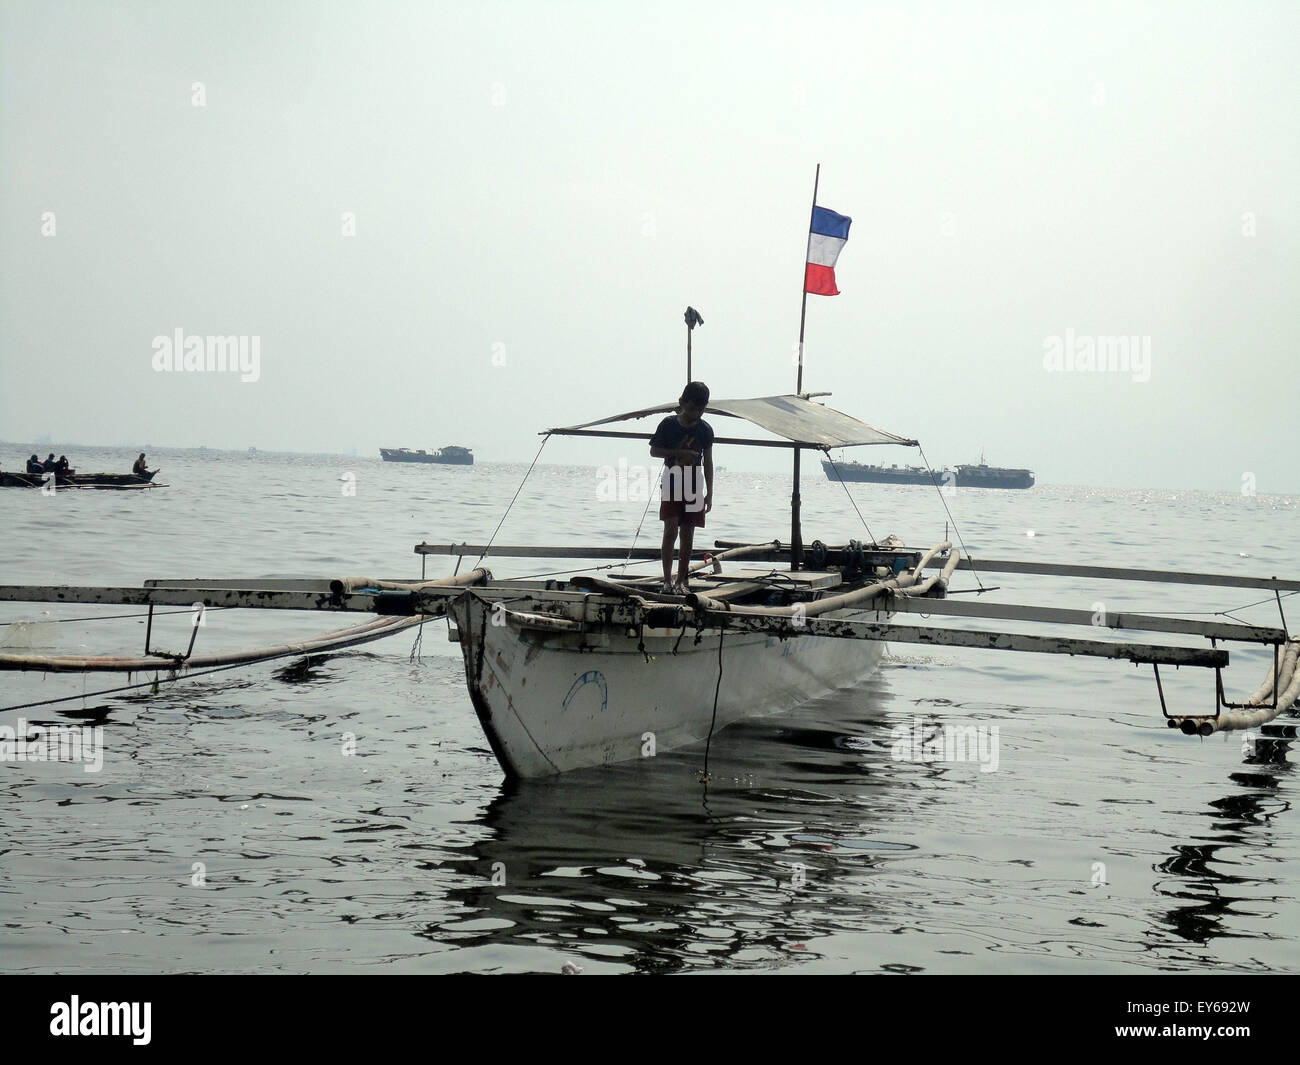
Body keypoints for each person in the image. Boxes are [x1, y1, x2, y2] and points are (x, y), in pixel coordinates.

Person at [649, 381, 714, 594]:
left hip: (695, 481)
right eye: (693, 408)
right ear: (682, 403)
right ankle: (667, 581)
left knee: (688, 534)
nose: (696, 413)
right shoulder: (668, 424)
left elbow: (709, 462)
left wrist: (710, 493)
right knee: (670, 530)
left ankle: (680, 581)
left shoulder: (705, 430)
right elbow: (654, 451)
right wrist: (678, 453)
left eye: (701, 409)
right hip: (672, 479)